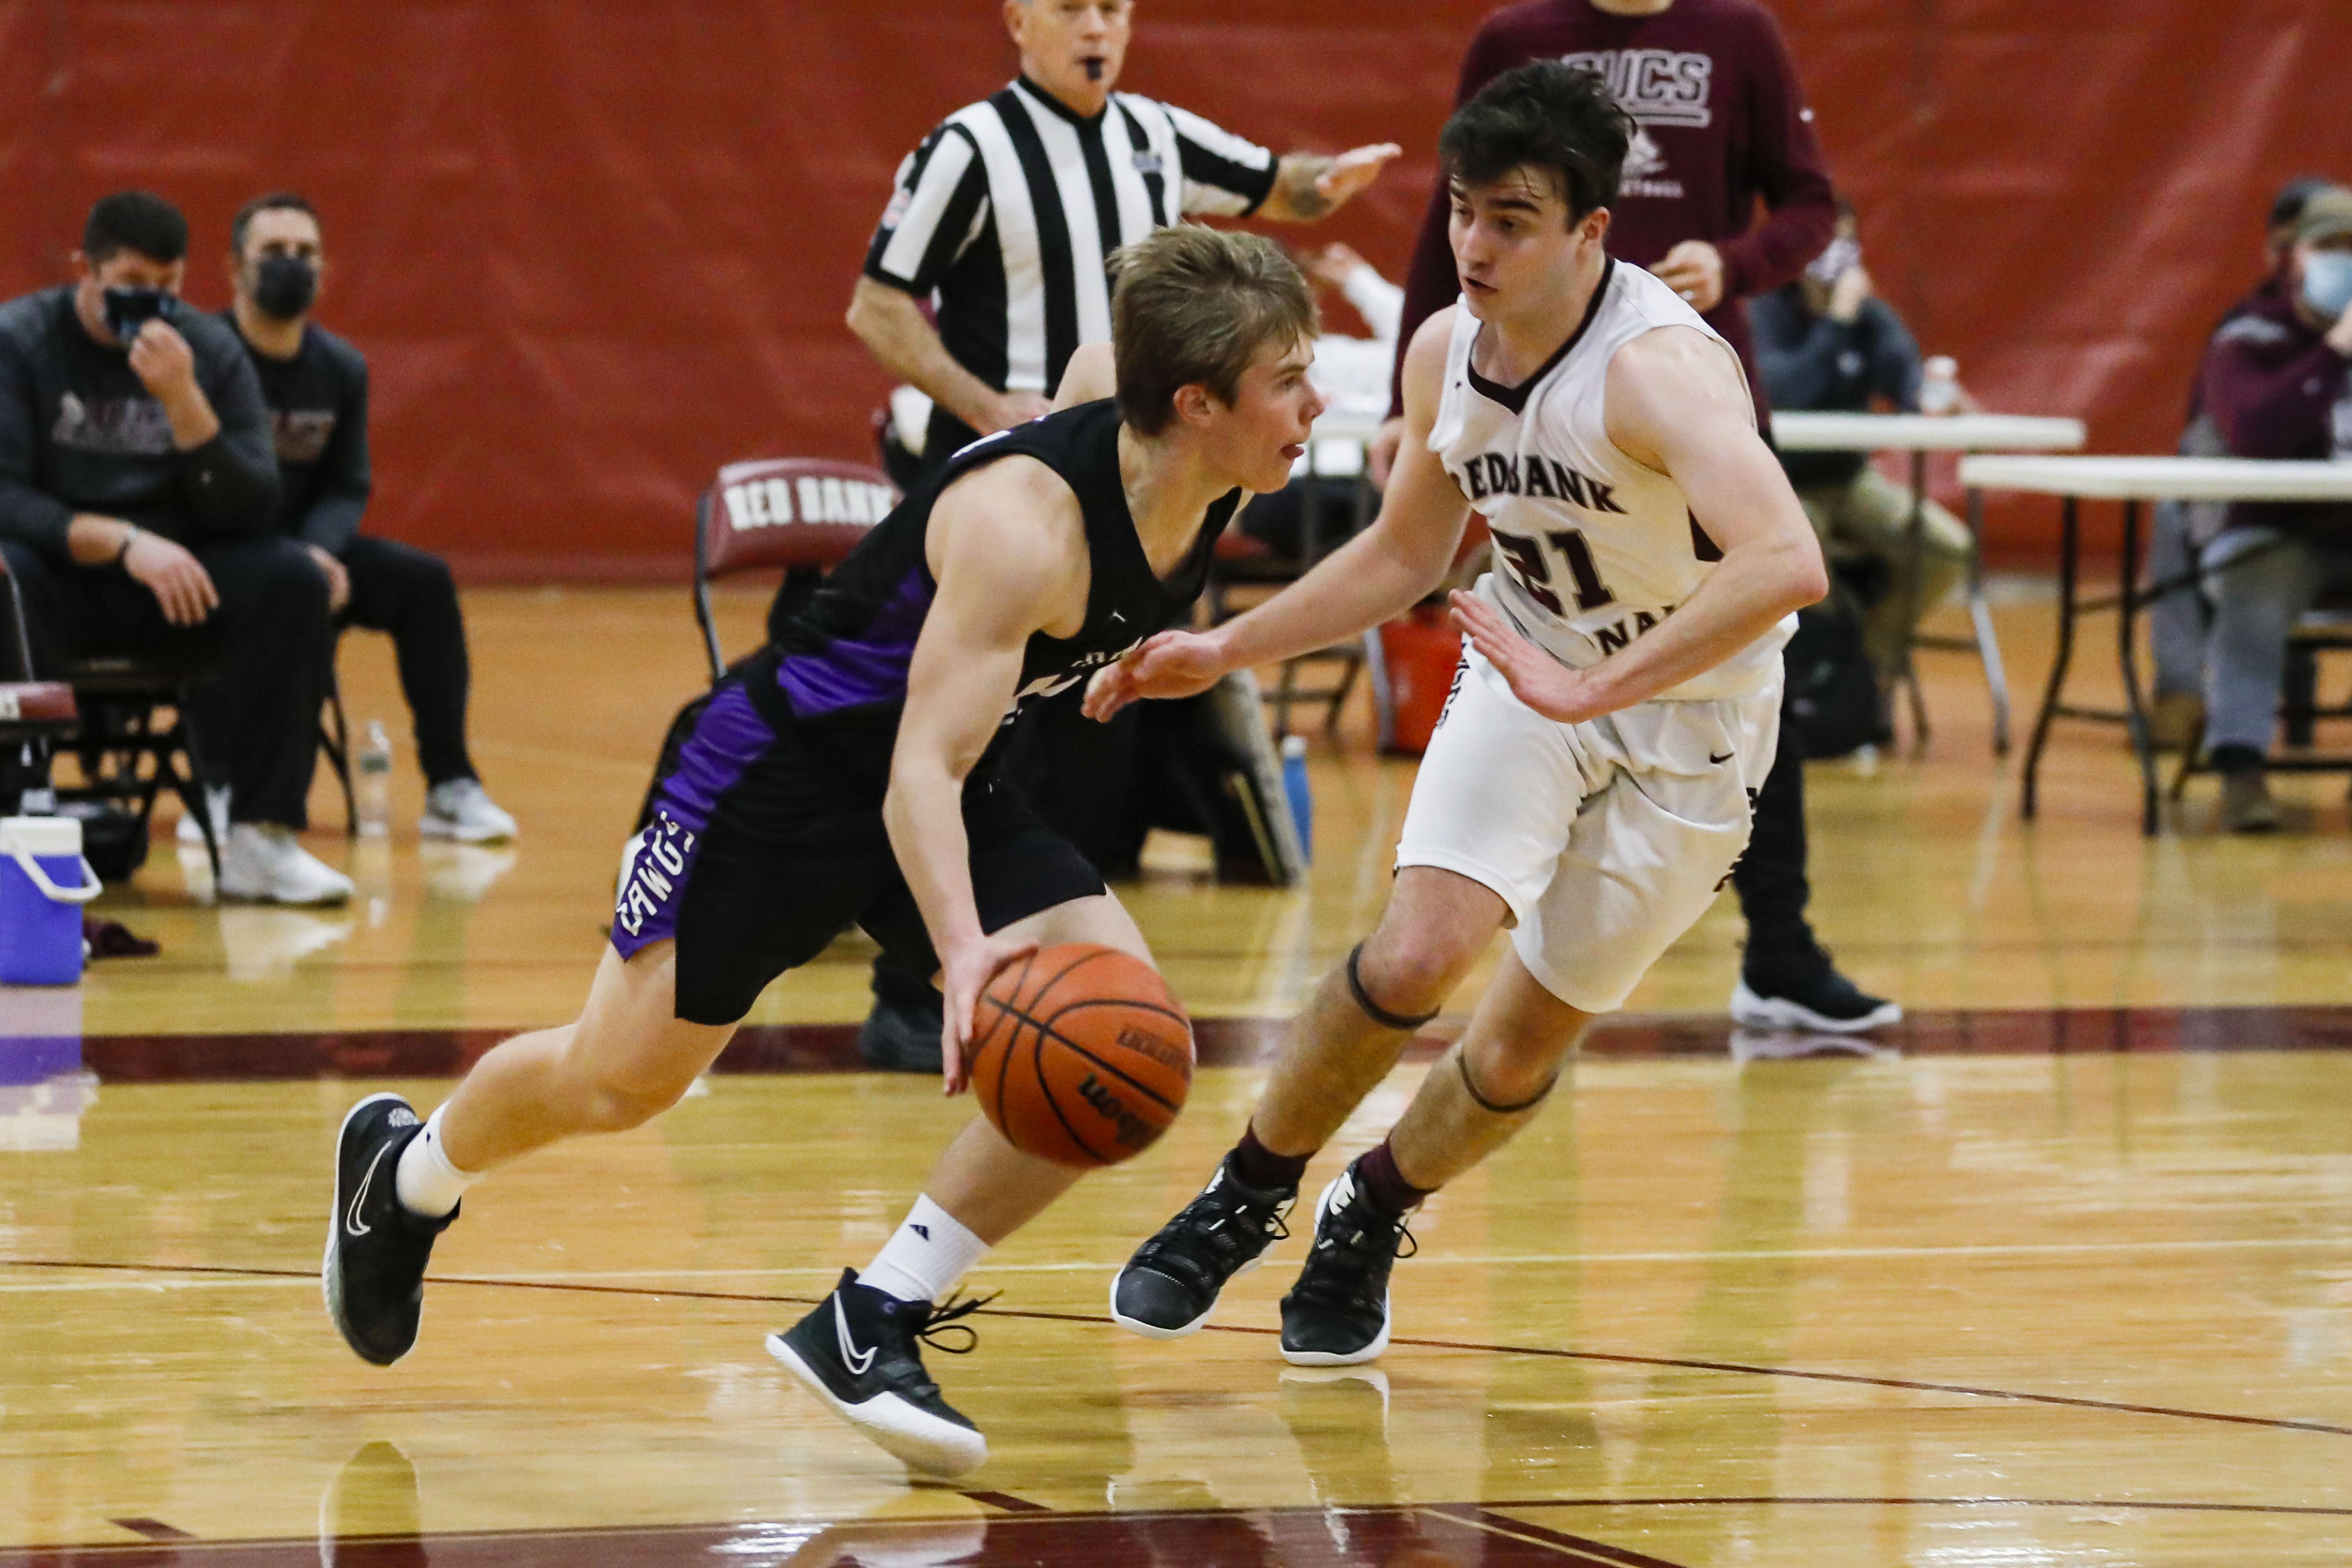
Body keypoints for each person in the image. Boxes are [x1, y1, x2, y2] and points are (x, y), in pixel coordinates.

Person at [321, 227, 1324, 1477]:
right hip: (779, 776)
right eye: (1288, 378)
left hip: (967, 770)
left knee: (1118, 1041)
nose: (1314, 403)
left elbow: (1106, 342)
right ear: (1193, 403)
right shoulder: (1024, 528)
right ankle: (404, 1172)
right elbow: (915, 774)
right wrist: (962, 958)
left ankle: (874, 1312)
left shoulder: (1200, 449)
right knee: (616, 1081)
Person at [1094, 63, 1827, 1364]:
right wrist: (1224, 643)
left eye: (1511, 221)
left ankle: (1372, 1206)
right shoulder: (1443, 349)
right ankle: (1248, 1186)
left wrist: (1594, 687)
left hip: (1688, 721)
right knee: (1416, 952)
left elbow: (1787, 560)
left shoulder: (1656, 369)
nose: (1472, 245)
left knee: (1521, 1036)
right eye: (1462, 212)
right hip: (1530, 666)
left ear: (1591, 231)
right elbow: (1400, 555)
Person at [840, 0, 1399, 1066]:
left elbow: (1281, 183)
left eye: (1113, 6)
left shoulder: (1156, 134)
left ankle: (1053, 977)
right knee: (948, 733)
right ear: (1019, 22)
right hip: (997, 483)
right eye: (1070, 7)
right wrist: (987, 407)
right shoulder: (968, 147)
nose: (1096, 26)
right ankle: (907, 983)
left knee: (1086, 732)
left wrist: (1333, 181)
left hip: (1135, 486)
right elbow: (877, 306)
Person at [1372, 0, 1891, 1037]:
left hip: (1674, 389)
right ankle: (1515, 910)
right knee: (1536, 636)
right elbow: (1453, 223)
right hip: (1529, 374)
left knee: (1740, 640)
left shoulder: (1737, 34)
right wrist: (1405, 394)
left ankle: (1779, 945)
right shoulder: (1512, 38)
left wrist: (1735, 264)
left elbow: (1808, 206)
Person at [0, 190, 350, 905]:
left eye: (168, 287)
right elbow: (5, 494)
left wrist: (185, 401)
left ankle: (261, 836)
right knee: (6, 575)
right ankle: (23, 816)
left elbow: (255, 505)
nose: (150, 302)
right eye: (131, 284)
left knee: (291, 578)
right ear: (85, 270)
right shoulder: (19, 341)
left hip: (179, 583)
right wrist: (123, 541)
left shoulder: (209, 350)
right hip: (63, 574)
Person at [218, 192, 516, 843]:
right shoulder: (209, 357)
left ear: (324, 270)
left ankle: (450, 784)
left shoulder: (340, 367)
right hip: (230, 552)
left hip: (317, 554)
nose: (290, 265)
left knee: (424, 580)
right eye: (273, 252)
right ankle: (222, 786)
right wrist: (289, 560)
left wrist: (320, 551)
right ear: (234, 267)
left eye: (306, 253)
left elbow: (348, 482)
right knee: (271, 596)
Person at [2145, 175, 2336, 754]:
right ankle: (2182, 696)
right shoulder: (2249, 328)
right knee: (2180, 518)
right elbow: (2235, 430)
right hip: (2259, 509)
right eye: (2326, 246)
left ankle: (2292, 706)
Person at [1750, 201, 1975, 687]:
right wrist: (1835, 322)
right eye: (1822, 242)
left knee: (1947, 548)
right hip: (1778, 485)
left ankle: (1864, 665)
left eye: (1845, 243)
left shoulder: (1871, 318)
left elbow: (1910, 386)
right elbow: (1780, 393)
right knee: (1800, 553)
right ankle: (1815, 667)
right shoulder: (1762, 311)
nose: (1836, 255)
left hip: (1849, 479)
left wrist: (1942, 397)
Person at [2192, 185, 2352, 832]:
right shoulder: (2248, 335)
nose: (2344, 262)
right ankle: (2241, 766)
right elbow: (2255, 431)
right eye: (2329, 249)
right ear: (2293, 258)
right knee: (2255, 596)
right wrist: (2333, 351)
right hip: (2276, 532)